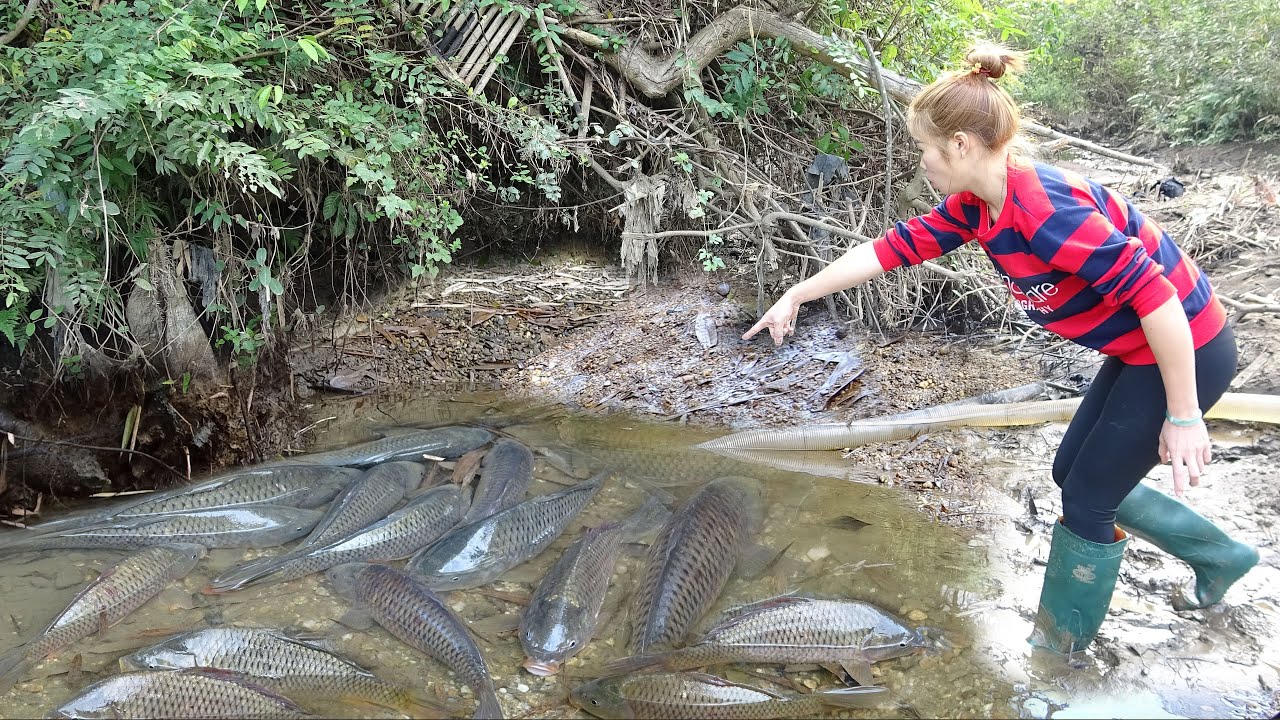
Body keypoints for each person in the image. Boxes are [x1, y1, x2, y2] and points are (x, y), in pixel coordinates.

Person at [742, 44, 1259, 656]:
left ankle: (1059, 657)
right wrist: (797, 294)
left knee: (1089, 500)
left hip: (1187, 346)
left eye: (925, 149)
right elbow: (888, 250)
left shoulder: (1046, 212)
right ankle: (1220, 557)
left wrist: (1184, 416)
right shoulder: (978, 206)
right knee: (1072, 473)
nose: (922, 162)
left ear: (960, 145)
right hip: (1138, 350)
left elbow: (1159, 298)